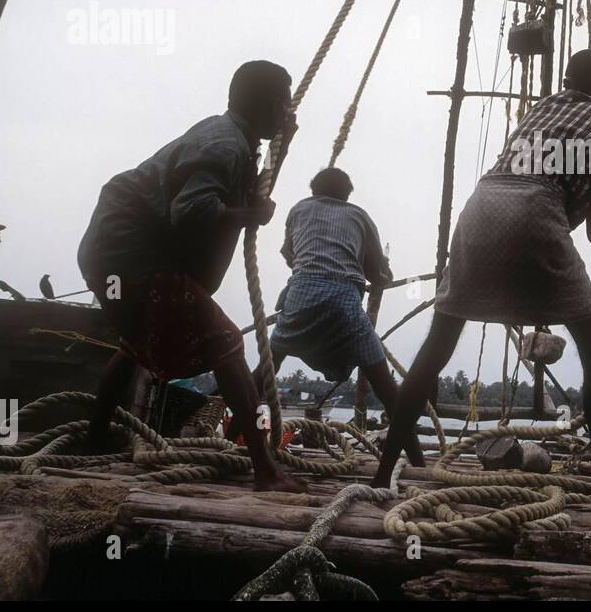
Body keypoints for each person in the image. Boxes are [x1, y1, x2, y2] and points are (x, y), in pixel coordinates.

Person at [370, 48, 591, 502]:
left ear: (566, 79)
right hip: (536, 210)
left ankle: (381, 476)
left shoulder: (540, 109)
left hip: (480, 206)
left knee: (437, 346)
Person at [77, 60, 302, 493]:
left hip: (113, 254)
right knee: (227, 346)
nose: (288, 111)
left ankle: (94, 437)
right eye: (285, 103)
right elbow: (191, 210)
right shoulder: (223, 144)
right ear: (271, 102)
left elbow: (255, 183)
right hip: (132, 254)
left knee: (133, 347)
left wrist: (283, 144)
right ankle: (266, 469)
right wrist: (251, 215)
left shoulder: (234, 138)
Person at [268, 166, 424, 466]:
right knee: (386, 386)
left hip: (300, 294)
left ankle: (229, 438)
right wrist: (382, 275)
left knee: (267, 369)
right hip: (344, 299)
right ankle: (418, 462)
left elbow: (291, 256)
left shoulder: (298, 209)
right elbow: (377, 272)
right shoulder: (359, 216)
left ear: (313, 190)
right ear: (347, 195)